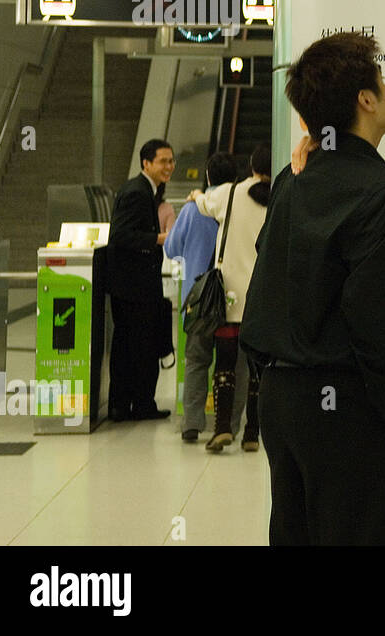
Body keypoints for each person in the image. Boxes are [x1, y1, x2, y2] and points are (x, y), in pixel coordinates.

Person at [239, 32, 385, 545]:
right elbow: (371, 315)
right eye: (381, 83)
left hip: (281, 396)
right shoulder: (383, 192)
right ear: (365, 100)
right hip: (346, 405)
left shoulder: (294, 181)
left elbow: (266, 283)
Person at [189, 143, 271, 452]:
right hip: (262, 299)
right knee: (256, 369)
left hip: (230, 297)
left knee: (224, 364)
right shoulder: (278, 197)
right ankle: (252, 433)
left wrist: (196, 195)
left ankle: (222, 427)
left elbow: (204, 203)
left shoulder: (231, 194)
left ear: (251, 167)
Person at [165, 152, 249, 442]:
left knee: (197, 360)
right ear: (236, 178)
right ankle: (232, 425)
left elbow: (171, 249)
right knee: (237, 362)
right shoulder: (241, 206)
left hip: (198, 300)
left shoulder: (191, 210)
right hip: (232, 299)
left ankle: (191, 423)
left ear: (208, 177)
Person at [106, 138, 175, 422]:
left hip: (134, 284)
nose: (169, 166)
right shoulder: (137, 191)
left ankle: (124, 405)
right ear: (146, 163)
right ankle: (138, 404)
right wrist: (157, 238)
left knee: (129, 345)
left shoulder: (146, 190)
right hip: (134, 286)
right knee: (137, 345)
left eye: (171, 161)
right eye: (163, 161)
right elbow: (119, 235)